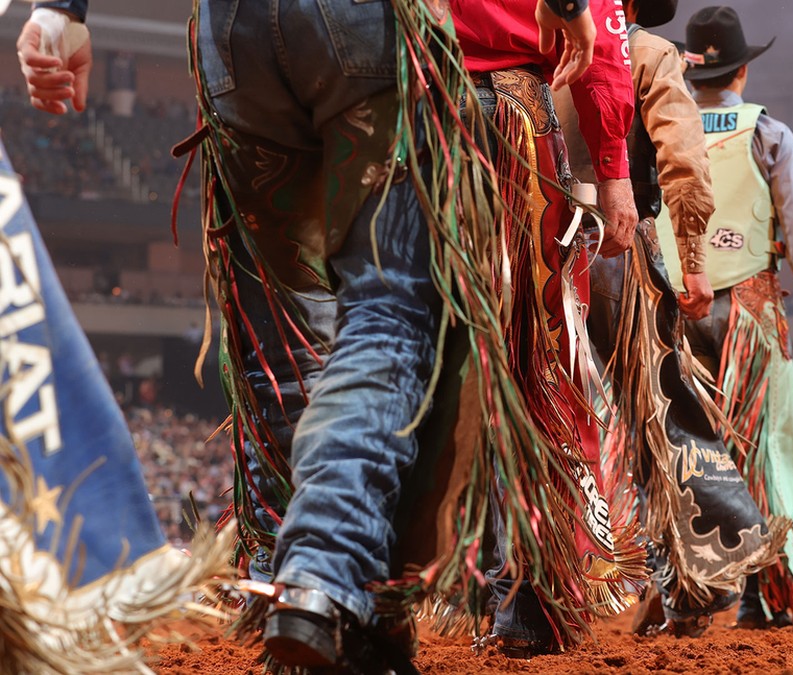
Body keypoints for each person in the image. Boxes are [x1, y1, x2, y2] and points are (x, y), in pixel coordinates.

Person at [19, 1, 604, 671]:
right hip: (364, 27)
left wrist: (61, 10)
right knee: (391, 315)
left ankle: (349, 618)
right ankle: (321, 573)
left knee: (288, 336)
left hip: (230, 36)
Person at [555, 0, 787, 639]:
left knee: (535, 412)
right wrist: (691, 263)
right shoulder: (646, 53)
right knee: (656, 414)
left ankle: (531, 594)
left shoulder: (531, 38)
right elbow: (683, 158)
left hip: (529, 246)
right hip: (614, 245)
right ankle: (693, 582)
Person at [449, 0, 644, 657]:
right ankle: (536, 599)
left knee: (406, 349)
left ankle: (368, 590)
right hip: (510, 119)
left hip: (413, 112)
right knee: (540, 360)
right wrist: (616, 172)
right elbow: (603, 60)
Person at [657, 5, 793, 630]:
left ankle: (682, 595)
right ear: (740, 75)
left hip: (669, 311)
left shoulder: (658, 125)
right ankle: (768, 599)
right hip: (747, 307)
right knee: (762, 447)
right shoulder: (767, 133)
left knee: (677, 450)